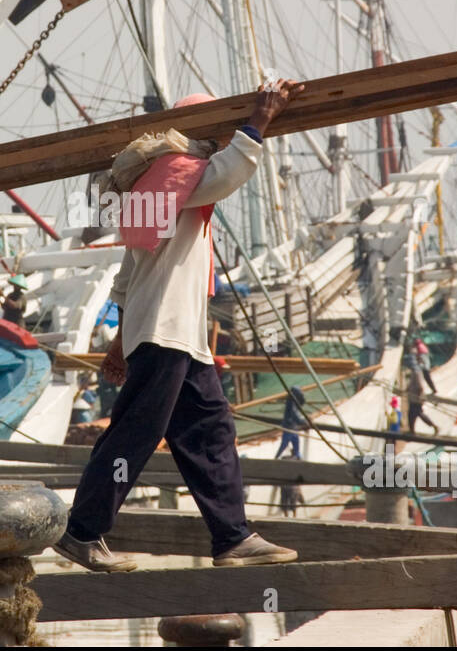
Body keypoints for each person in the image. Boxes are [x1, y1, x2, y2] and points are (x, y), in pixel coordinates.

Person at [53, 81, 304, 572]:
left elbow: (128, 278)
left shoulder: (162, 184)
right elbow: (229, 172)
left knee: (210, 432)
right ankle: (82, 531)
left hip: (176, 336)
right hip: (167, 332)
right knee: (136, 432)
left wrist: (120, 343)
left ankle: (232, 537)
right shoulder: (178, 173)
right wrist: (259, 121)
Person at [275, 385, 307, 459]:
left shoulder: (294, 401)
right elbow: (294, 415)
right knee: (285, 443)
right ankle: (276, 457)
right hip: (289, 426)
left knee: (296, 442)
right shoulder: (291, 402)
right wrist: (302, 422)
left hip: (293, 427)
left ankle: (297, 455)